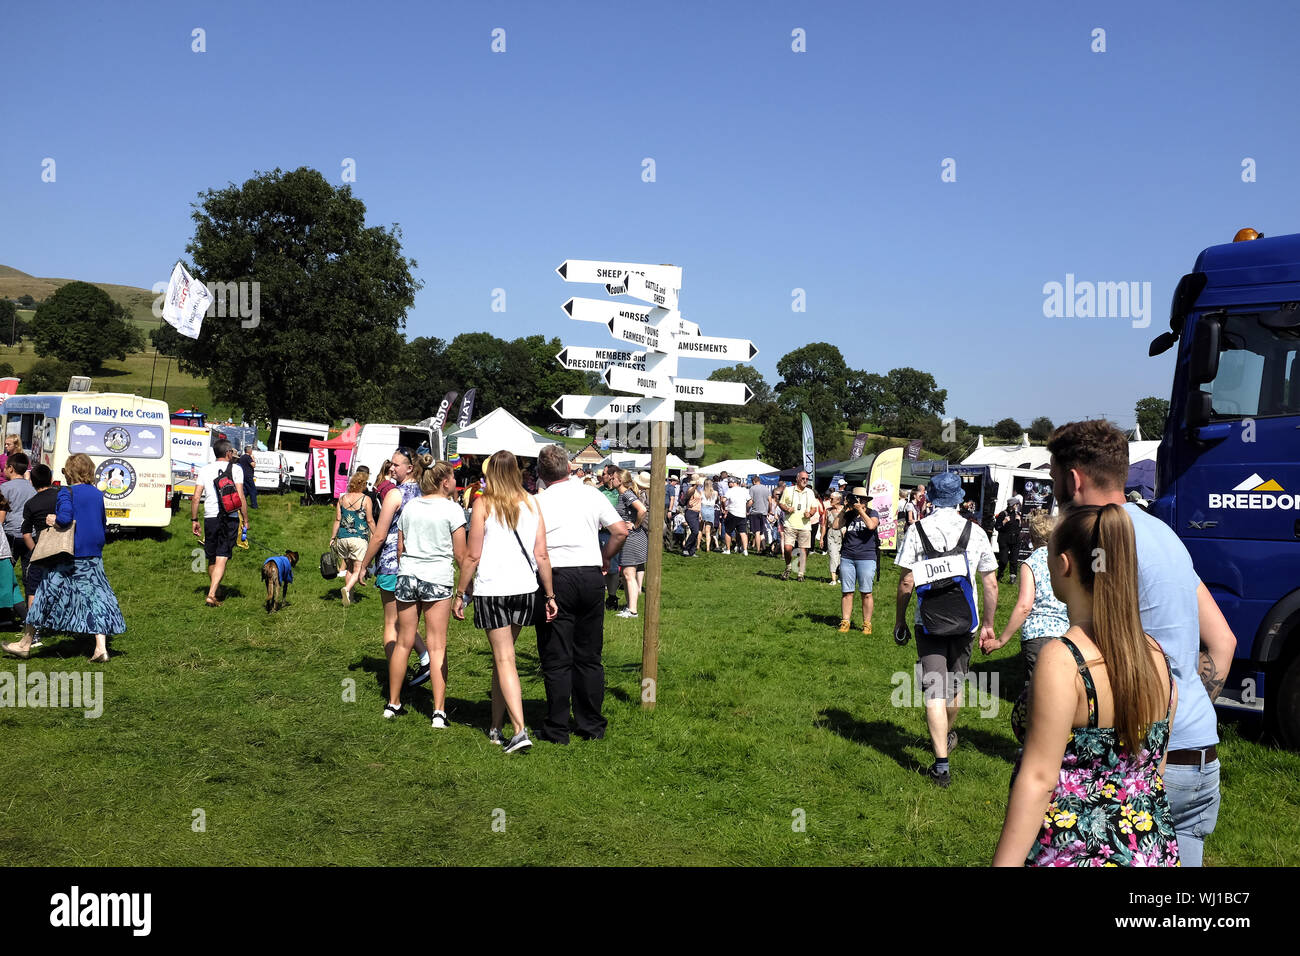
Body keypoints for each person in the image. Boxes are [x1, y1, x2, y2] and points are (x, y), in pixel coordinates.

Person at [1047, 419, 1236, 867]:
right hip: (1201, 759)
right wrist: (1185, 713)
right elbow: (1224, 641)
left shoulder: (1103, 542)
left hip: (1144, 764)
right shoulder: (1166, 536)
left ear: (1073, 479)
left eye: (1054, 478)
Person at [992, 503, 1180, 866]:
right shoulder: (1156, 656)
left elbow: (1039, 779)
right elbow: (1154, 769)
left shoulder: (1062, 660)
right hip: (1149, 850)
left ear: (1063, 564)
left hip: (1076, 851)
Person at [893, 470, 998, 787]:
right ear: (958, 499)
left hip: (929, 622)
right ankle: (947, 738)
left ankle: (941, 765)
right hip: (966, 623)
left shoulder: (916, 530)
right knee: (954, 687)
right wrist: (989, 625)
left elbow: (907, 581)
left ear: (931, 498)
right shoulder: (975, 532)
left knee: (934, 690)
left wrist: (899, 620)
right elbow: (990, 583)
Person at [452, 450, 558, 753]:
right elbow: (542, 555)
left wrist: (461, 593)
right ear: (516, 472)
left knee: (504, 659)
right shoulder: (531, 503)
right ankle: (496, 727)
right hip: (524, 589)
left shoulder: (482, 503)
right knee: (504, 658)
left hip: (493, 590)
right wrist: (549, 595)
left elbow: (472, 556)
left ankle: (519, 730)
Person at [534, 444, 628, 744]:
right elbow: (620, 530)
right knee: (589, 654)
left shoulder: (538, 501)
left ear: (541, 473)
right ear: (569, 467)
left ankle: (558, 726)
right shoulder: (591, 493)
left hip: (556, 575)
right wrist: (604, 558)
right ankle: (591, 725)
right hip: (589, 574)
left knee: (557, 655)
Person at [2, 454, 124, 662]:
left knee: (43, 595)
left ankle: (25, 644)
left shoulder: (66, 492)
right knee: (96, 597)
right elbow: (102, 522)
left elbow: (65, 518)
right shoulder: (96, 494)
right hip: (93, 551)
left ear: (70, 472)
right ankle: (101, 647)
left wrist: (53, 519)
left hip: (69, 553)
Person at [389, 461, 466, 728]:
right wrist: (466, 586)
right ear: (444, 481)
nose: (456, 480)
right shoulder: (453, 510)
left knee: (403, 642)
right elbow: (460, 554)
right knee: (437, 645)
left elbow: (400, 548)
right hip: (436, 579)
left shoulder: (409, 507)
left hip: (408, 575)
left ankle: (393, 702)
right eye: (453, 476)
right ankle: (438, 712)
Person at [360, 448, 432, 685]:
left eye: (396, 465)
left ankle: (395, 678)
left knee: (392, 623)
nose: (391, 468)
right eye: (391, 463)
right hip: (419, 565)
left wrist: (364, 564)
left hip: (393, 565)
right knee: (407, 622)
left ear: (410, 468)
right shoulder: (426, 493)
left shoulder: (395, 495)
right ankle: (425, 658)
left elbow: (379, 536)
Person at [983, 510, 1069, 679]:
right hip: (1066, 634)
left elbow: (1024, 606)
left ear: (1032, 537)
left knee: (1037, 694)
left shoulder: (1030, 563)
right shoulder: (1065, 562)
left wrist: (1001, 641)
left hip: (1037, 635)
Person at [192, 439, 249, 607]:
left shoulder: (204, 470)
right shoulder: (236, 469)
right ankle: (211, 595)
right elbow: (240, 496)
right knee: (222, 556)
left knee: (211, 557)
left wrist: (194, 520)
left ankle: (215, 590)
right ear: (228, 453)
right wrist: (245, 520)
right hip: (228, 517)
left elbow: (196, 498)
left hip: (209, 517)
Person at [835, 486, 880, 633]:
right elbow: (835, 525)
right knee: (847, 591)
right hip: (848, 556)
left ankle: (867, 623)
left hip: (866, 557)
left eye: (859, 499)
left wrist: (860, 510)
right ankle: (845, 621)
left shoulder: (872, 513)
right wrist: (844, 509)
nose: (857, 501)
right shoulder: (849, 514)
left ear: (866, 500)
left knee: (866, 592)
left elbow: (871, 525)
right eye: (855, 498)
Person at [20, 464, 58, 629]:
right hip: (63, 548)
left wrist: (35, 550)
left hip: (41, 549)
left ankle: (34, 629)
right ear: (50, 479)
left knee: (33, 587)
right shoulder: (61, 496)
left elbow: (26, 533)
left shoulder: (31, 503)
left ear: (32, 483)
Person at [330, 472, 373, 605]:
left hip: (343, 538)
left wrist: (332, 538)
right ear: (363, 484)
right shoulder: (366, 499)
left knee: (349, 568)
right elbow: (370, 520)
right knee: (358, 569)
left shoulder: (342, 499)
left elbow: (338, 519)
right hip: (358, 538)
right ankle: (347, 588)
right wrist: (377, 535)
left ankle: (349, 598)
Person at [3, 452, 33, 619]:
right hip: (30, 536)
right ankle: (30, 614)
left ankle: (7, 612)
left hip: (11, 535)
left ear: (11, 468)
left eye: (5, 467)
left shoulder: (5, 488)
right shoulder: (32, 487)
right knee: (28, 577)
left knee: (6, 573)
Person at [615, 471, 649, 618]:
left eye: (614, 477)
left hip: (633, 538)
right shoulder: (624, 494)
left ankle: (633, 610)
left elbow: (642, 509)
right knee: (627, 574)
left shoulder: (627, 495)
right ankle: (629, 607)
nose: (611, 479)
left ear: (621, 480)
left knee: (629, 574)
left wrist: (635, 525)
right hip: (631, 538)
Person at [778, 470, 816, 581]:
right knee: (788, 548)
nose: (805, 481)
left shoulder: (810, 492)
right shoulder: (788, 490)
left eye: (806, 479)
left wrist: (810, 514)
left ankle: (800, 573)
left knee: (803, 551)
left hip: (805, 525)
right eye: (803, 478)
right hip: (790, 524)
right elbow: (781, 503)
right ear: (797, 479)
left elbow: (814, 507)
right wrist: (786, 509)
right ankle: (789, 566)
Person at [598, 466, 624, 609]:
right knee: (599, 565)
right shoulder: (599, 491)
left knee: (613, 567)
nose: (602, 476)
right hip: (600, 532)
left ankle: (612, 597)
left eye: (604, 474)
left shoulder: (619, 492)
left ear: (612, 475)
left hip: (614, 534)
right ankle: (598, 596)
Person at [994, 499, 1023, 583]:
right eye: (1016, 504)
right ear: (1011, 505)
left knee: (1014, 560)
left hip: (1015, 540)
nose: (1017, 506)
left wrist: (1019, 521)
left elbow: (1019, 528)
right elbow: (997, 527)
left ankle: (1012, 578)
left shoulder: (1017, 514)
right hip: (1004, 540)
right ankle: (1000, 575)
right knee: (1003, 560)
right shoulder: (1003, 514)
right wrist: (1004, 521)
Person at [747, 477, 772, 557]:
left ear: (754, 481)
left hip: (755, 512)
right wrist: (769, 510)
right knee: (762, 532)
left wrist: (747, 509)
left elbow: (751, 501)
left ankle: (758, 550)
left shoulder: (752, 488)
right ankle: (764, 548)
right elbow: (770, 501)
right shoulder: (766, 488)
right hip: (764, 512)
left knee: (757, 532)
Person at [681, 476, 702, 557]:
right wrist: (695, 486)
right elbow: (688, 495)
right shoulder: (691, 489)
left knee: (695, 532)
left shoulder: (697, 491)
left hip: (696, 512)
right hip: (691, 512)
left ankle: (692, 551)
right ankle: (686, 548)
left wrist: (700, 513)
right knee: (695, 531)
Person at [699, 478, 719, 554]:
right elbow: (716, 500)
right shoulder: (715, 493)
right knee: (708, 531)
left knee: (700, 529)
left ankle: (698, 545)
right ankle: (707, 548)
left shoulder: (701, 492)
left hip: (703, 509)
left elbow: (700, 502)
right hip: (711, 510)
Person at [237, 445, 258, 510]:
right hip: (248, 476)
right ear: (249, 451)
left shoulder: (242, 457)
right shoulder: (248, 457)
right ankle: (254, 505)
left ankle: (240, 502)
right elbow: (253, 465)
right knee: (253, 490)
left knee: (246, 490)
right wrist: (253, 459)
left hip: (243, 475)